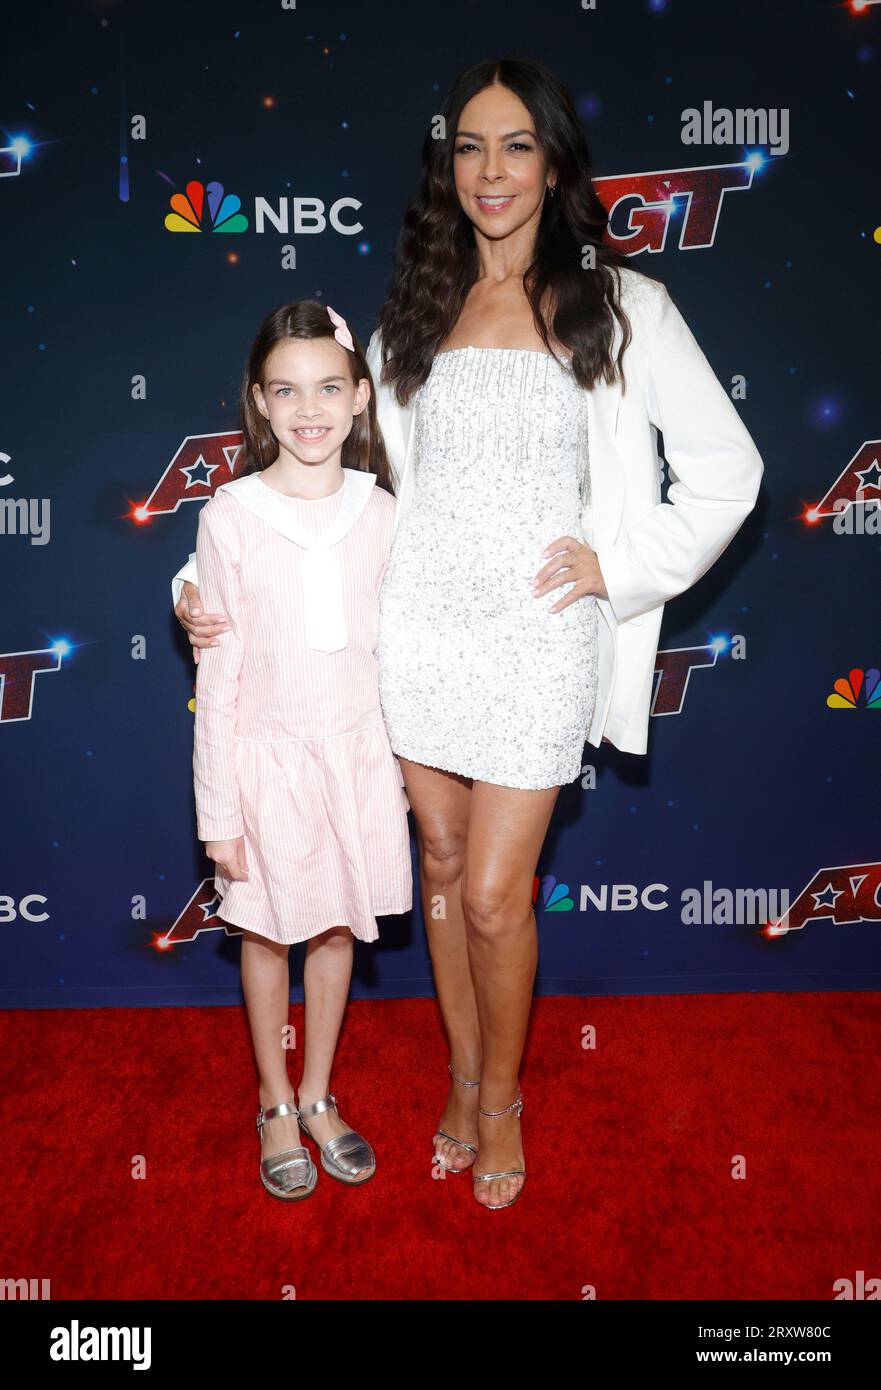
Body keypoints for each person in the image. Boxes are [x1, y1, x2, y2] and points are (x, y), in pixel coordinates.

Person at [174, 58, 764, 1212]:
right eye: (468, 149)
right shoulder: (414, 312)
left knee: (496, 893)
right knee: (438, 867)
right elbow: (315, 482)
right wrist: (200, 579)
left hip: (540, 636)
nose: (490, 172)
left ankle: (500, 1101)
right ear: (446, 169)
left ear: (553, 163)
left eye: (515, 147)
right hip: (420, 626)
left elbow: (728, 472)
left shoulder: (622, 304)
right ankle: (455, 1078)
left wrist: (624, 567)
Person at [190, 299, 412, 1201]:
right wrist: (218, 813)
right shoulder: (230, 514)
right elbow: (221, 672)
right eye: (286, 390)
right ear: (259, 402)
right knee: (264, 933)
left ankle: (320, 1093)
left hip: (358, 759)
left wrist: (400, 779)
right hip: (262, 763)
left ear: (360, 397)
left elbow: (405, 651)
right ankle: (274, 1102)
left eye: (328, 387)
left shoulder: (385, 509)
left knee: (333, 928)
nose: (308, 408)